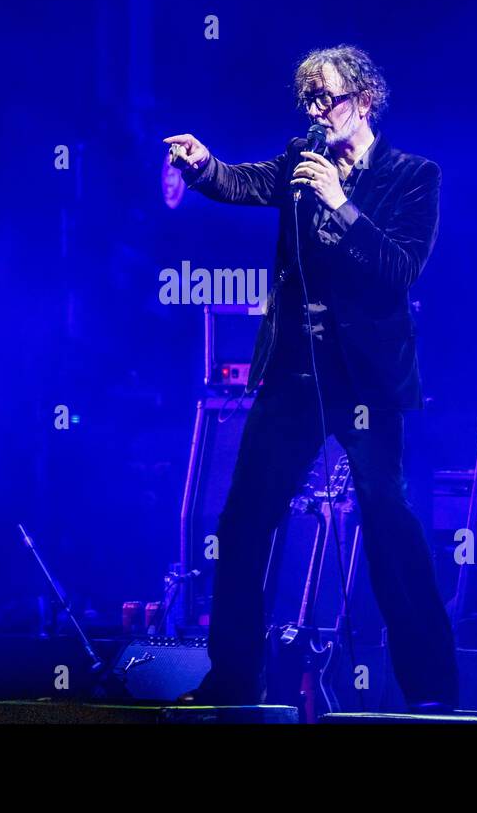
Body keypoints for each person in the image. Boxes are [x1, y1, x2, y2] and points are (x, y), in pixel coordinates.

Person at [164, 44, 458, 709]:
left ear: (365, 97)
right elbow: (245, 183)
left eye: (327, 97)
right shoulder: (300, 162)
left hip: (369, 382)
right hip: (295, 372)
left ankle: (434, 690)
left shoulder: (414, 176)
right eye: (310, 100)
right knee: (242, 521)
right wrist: (204, 165)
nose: (317, 111)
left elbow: (399, 269)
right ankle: (234, 679)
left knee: (390, 524)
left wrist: (341, 204)